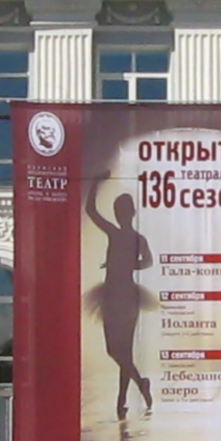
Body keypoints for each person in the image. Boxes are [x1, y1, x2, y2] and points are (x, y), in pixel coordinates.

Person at [83, 179, 155, 419]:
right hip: (116, 292)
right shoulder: (120, 234)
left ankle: (122, 400)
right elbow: (91, 211)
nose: (120, 214)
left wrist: (125, 265)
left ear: (130, 213)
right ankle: (139, 384)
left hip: (121, 293)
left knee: (121, 350)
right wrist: (96, 184)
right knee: (117, 350)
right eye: (118, 211)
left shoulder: (129, 236)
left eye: (122, 211)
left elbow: (148, 261)